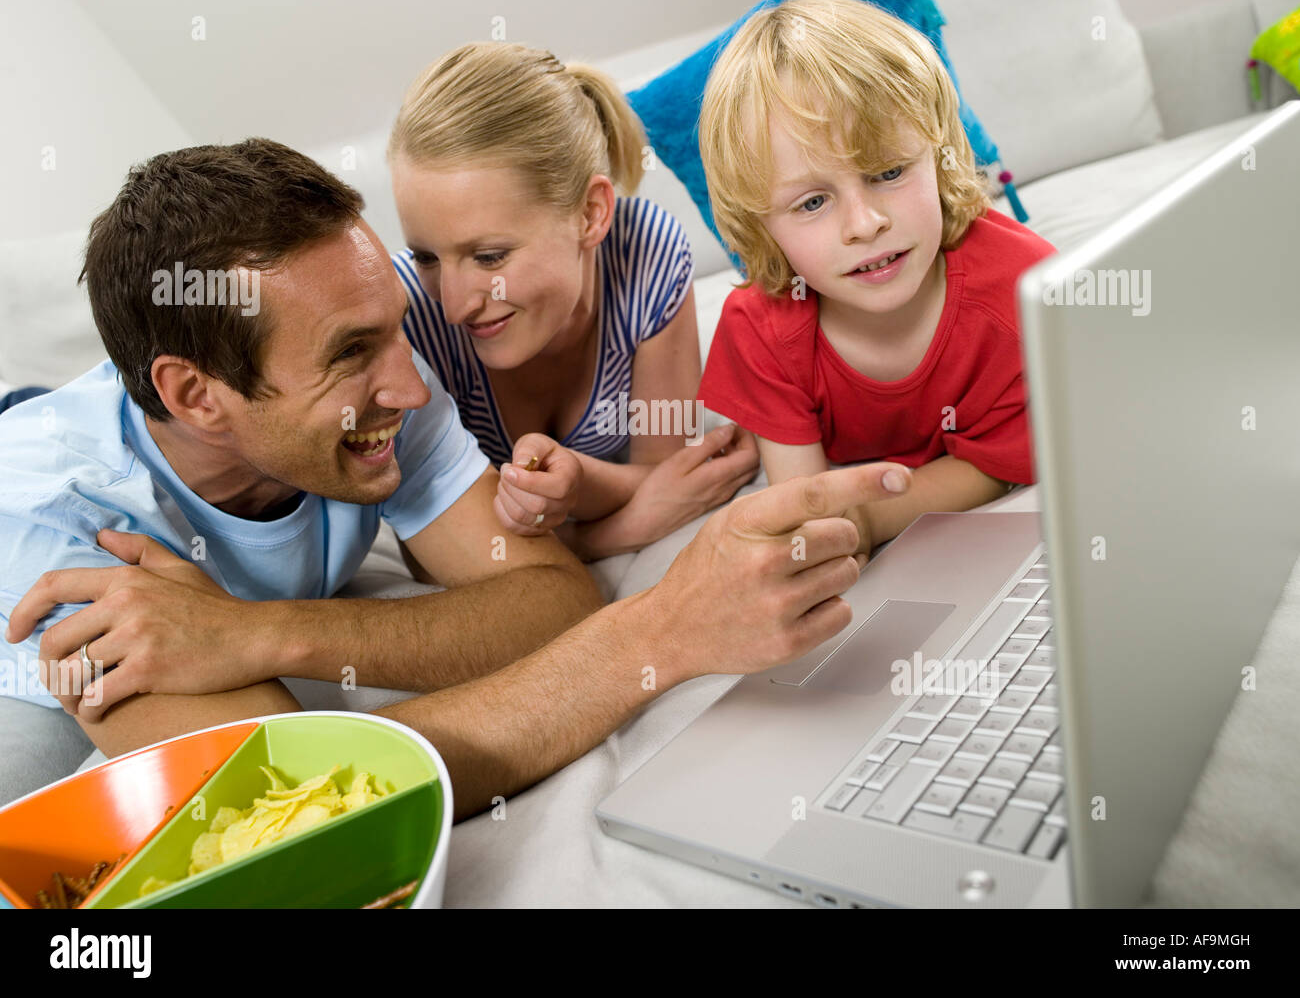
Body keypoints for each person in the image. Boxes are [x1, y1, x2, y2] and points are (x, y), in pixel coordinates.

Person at [0, 138, 915, 820]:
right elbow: (299, 806)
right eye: (353, 354)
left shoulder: (383, 380)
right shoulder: (53, 525)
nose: (410, 383)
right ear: (196, 397)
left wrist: (259, 634)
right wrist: (667, 629)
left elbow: (548, 597)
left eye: (396, 325)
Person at [696, 0, 1057, 555]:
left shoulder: (1023, 288)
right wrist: (837, 529)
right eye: (812, 203)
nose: (864, 225)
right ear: (762, 227)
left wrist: (867, 519)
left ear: (939, 157)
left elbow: (998, 465)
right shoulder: (761, 329)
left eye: (888, 171)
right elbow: (809, 512)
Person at [387, 42, 758, 561]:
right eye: (427, 257)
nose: (453, 306)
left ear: (590, 214)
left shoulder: (646, 253)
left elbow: (665, 471)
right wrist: (612, 532)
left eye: (490, 256)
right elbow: (439, 558)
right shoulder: (408, 315)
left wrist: (575, 480)